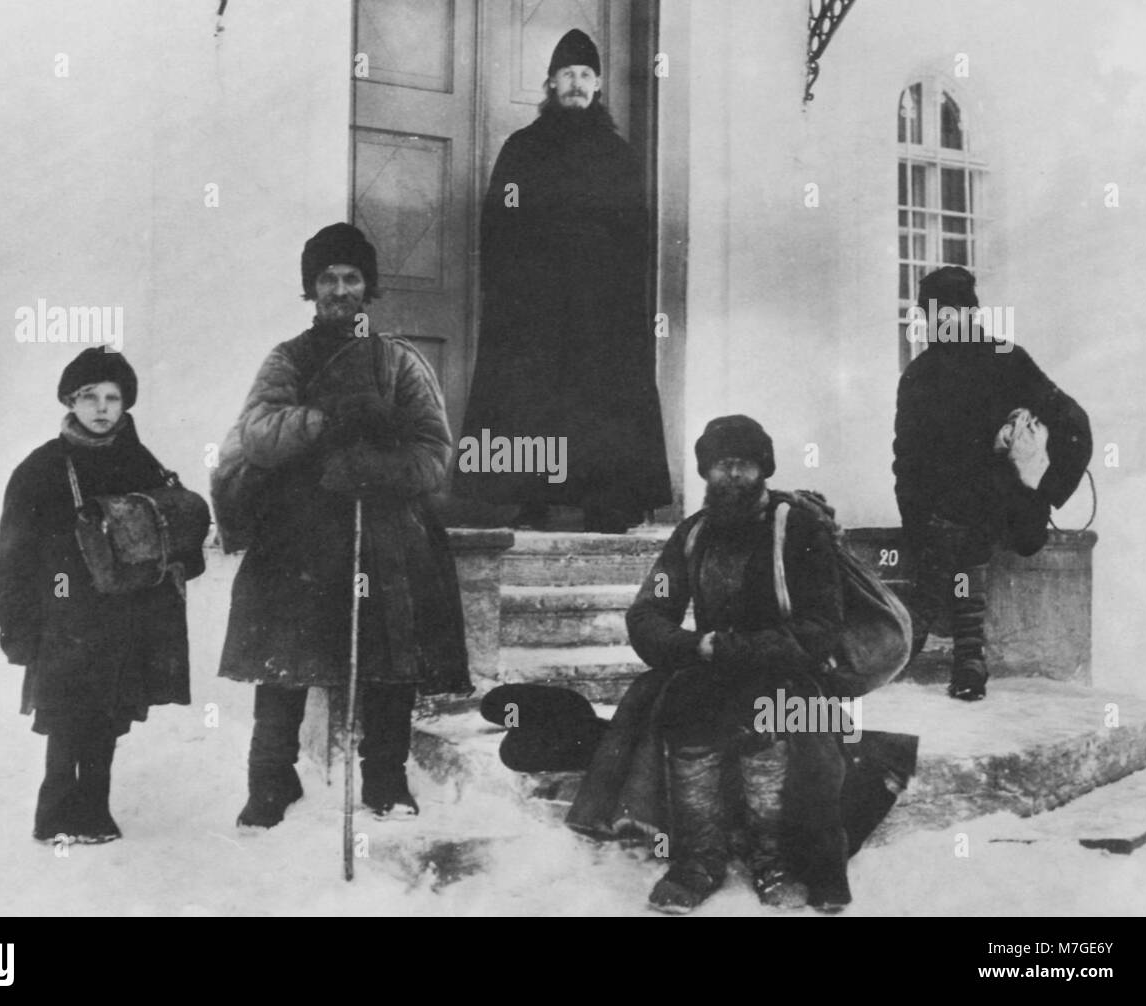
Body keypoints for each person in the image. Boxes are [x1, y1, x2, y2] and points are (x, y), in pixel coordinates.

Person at [217, 223, 470, 829]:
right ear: (311, 287)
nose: (339, 289)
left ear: (368, 287)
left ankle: (385, 775)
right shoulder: (287, 359)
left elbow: (435, 454)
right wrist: (324, 422)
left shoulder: (399, 362)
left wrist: (370, 465)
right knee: (284, 657)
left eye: (351, 278)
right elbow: (256, 431)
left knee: (390, 655)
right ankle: (271, 779)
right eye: (327, 278)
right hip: (298, 534)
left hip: (384, 531)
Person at [567, 416, 853, 913]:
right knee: (684, 707)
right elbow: (648, 612)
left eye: (745, 464)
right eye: (722, 466)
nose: (734, 476)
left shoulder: (799, 526)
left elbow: (822, 623)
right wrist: (691, 647)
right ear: (706, 472)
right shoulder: (692, 534)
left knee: (774, 719)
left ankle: (774, 860)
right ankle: (698, 859)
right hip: (708, 668)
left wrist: (739, 649)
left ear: (764, 468)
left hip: (786, 670)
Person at [453, 28, 670, 533]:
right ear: (550, 83)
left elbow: (636, 229)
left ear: (597, 86)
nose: (577, 83)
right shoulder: (523, 150)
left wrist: (617, 291)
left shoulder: (618, 156)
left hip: (601, 302)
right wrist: (512, 282)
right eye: (568, 74)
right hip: (535, 299)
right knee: (533, 395)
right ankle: (531, 500)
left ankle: (607, 502)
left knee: (601, 400)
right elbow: (501, 213)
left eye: (586, 75)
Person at [0, 348, 202, 844]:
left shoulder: (142, 463)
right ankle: (55, 815)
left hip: (125, 617)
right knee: (65, 719)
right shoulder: (41, 467)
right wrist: (15, 623)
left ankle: (96, 812)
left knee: (108, 719)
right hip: (63, 619)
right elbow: (12, 555)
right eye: (90, 397)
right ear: (70, 400)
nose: (103, 408)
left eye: (113, 397)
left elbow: (174, 537)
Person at [894, 266, 1062, 700]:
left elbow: (1066, 421)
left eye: (953, 313)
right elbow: (906, 459)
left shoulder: (1008, 359)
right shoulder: (920, 375)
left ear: (972, 314)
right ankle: (956, 654)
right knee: (950, 542)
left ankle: (948, 651)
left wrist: (1043, 493)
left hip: (999, 503)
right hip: (943, 511)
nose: (943, 323)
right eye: (935, 315)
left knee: (961, 540)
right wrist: (914, 518)